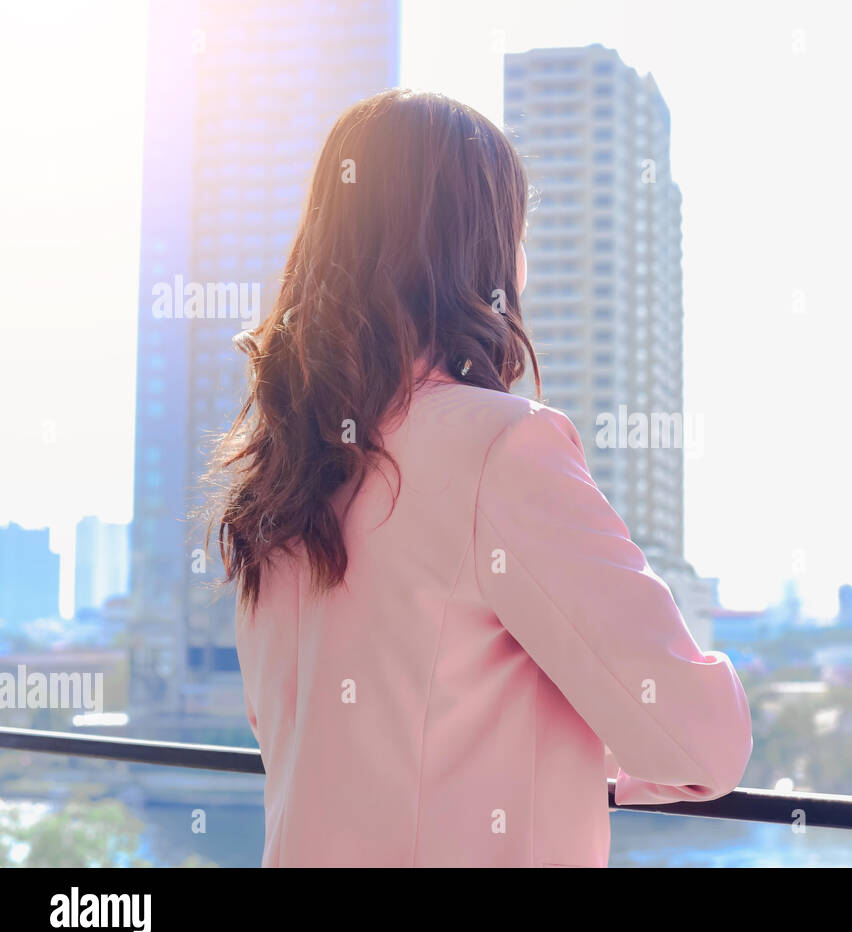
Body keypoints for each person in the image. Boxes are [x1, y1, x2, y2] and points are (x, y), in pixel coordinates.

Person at [207, 89, 752, 867]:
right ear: (483, 253)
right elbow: (700, 740)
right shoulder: (506, 446)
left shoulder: (282, 468)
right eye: (517, 234)